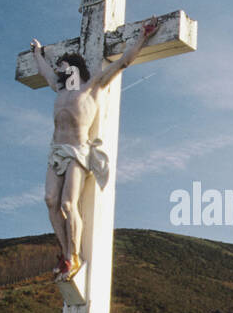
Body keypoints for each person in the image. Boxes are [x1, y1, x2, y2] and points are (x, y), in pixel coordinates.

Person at [32, 18, 159, 281]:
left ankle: (73, 256)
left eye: (63, 66)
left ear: (75, 68)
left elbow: (122, 62)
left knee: (68, 203)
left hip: (78, 152)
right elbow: (45, 72)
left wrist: (142, 38)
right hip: (56, 152)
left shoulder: (92, 87)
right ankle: (66, 253)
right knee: (50, 200)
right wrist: (37, 54)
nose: (59, 70)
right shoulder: (58, 89)